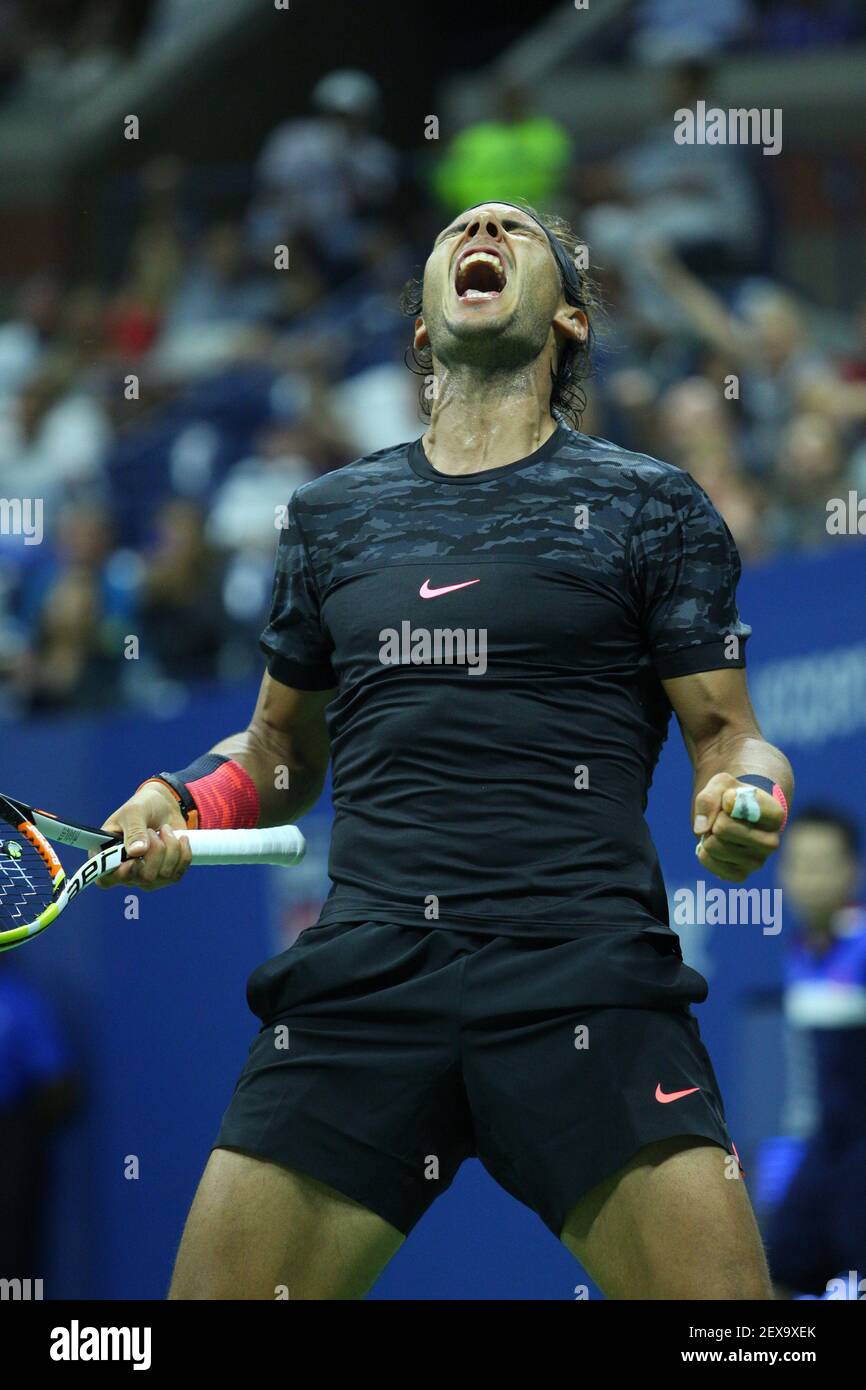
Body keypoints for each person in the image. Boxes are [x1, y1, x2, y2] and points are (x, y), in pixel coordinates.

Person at [98, 201, 792, 1300]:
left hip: (581, 972)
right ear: (421, 328)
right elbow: (281, 746)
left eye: (518, 231)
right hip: (364, 978)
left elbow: (726, 732)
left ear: (566, 318)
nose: (483, 225)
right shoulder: (330, 517)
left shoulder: (648, 507)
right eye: (462, 229)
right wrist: (182, 799)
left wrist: (745, 796)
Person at [763, 806, 866, 1296]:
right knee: (775, 1274)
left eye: (824, 863)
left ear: (852, 870)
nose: (810, 878)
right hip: (823, 1152)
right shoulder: (800, 950)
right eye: (799, 863)